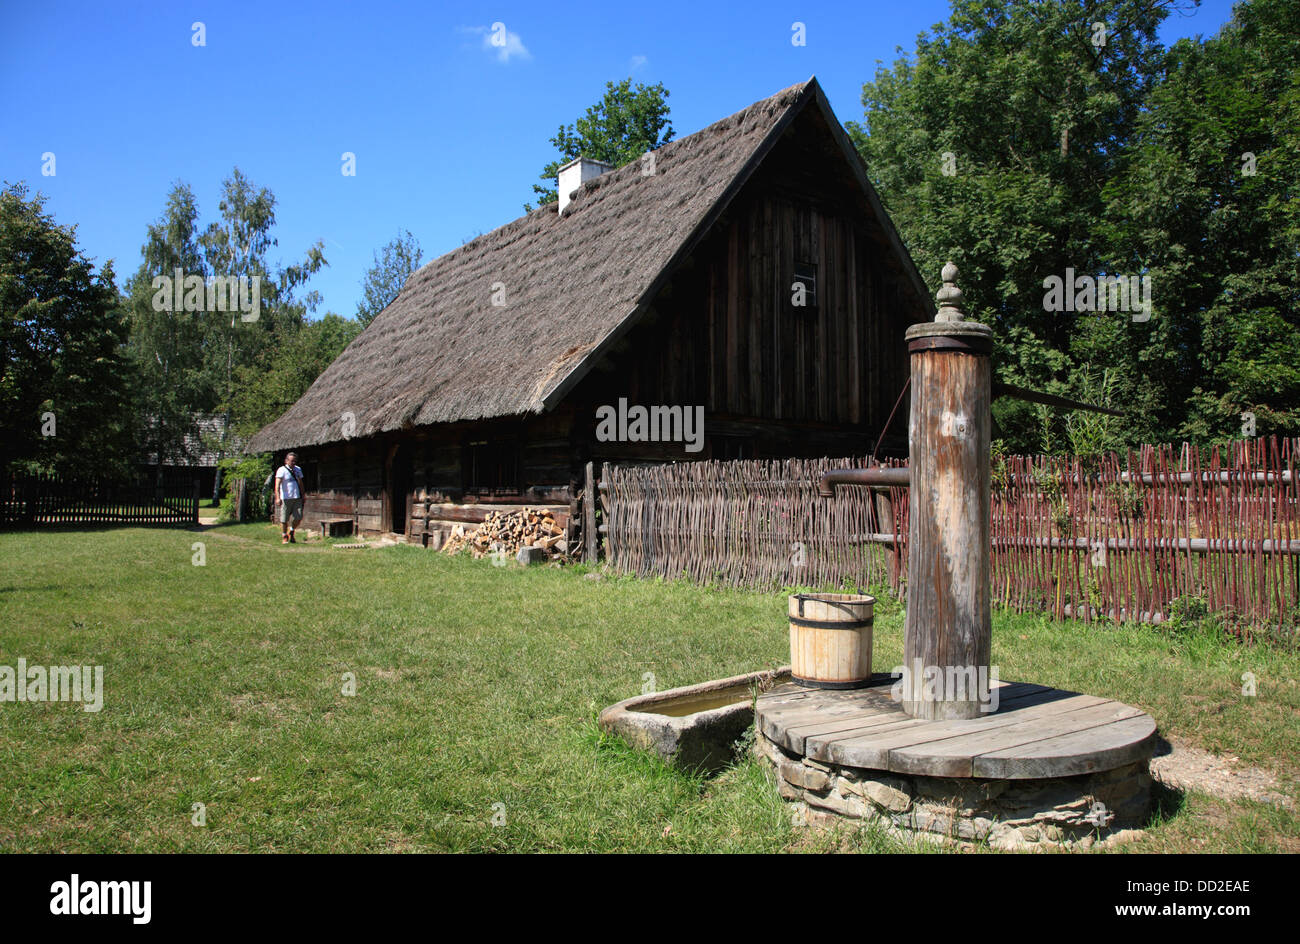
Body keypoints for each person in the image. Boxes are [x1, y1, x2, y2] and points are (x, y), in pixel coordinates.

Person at [274, 452, 305, 544]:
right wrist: (278, 497)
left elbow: (300, 483)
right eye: (291, 461)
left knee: (298, 517)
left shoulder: (298, 469)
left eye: (294, 461)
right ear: (286, 461)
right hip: (286, 498)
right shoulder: (281, 470)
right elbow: (277, 485)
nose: (293, 462)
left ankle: (291, 531)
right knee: (284, 519)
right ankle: (284, 535)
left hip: (297, 497)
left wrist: (303, 495)